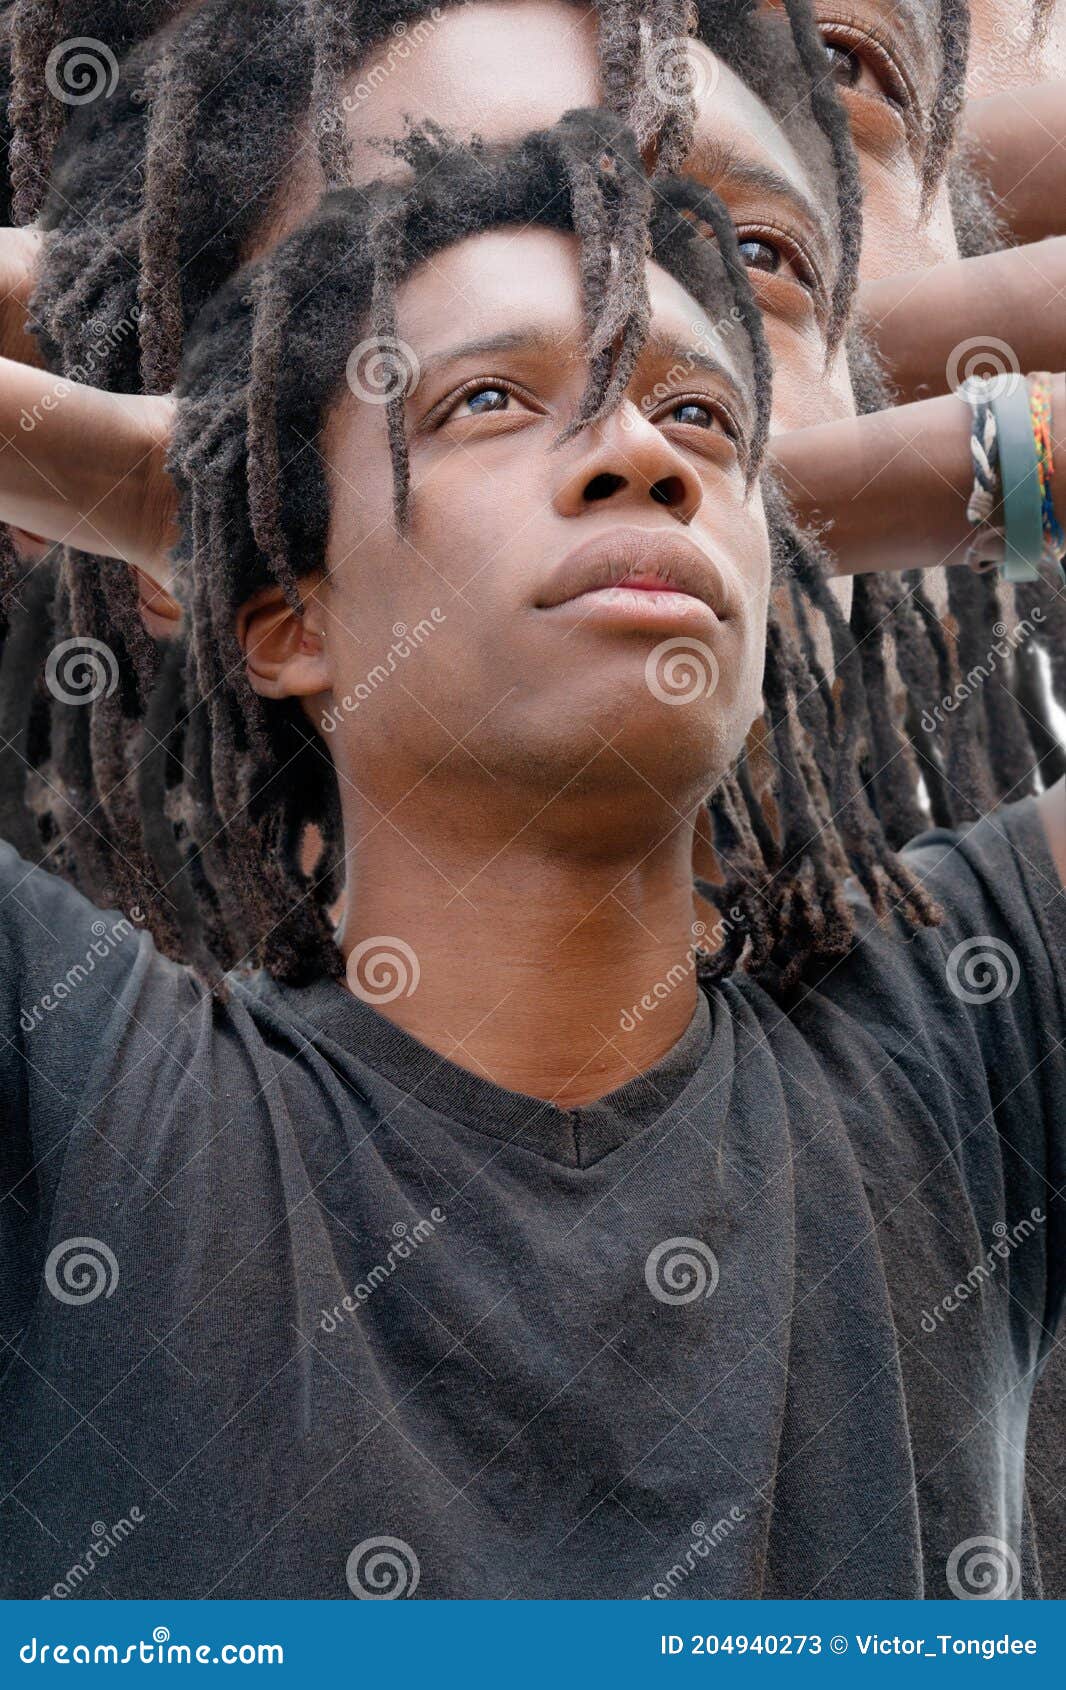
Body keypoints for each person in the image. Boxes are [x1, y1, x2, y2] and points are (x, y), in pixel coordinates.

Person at [1, 109, 1063, 1600]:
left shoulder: (966, 1044)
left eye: (698, 418)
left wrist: (783, 514)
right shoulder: (78, 1085)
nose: (637, 453)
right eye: (489, 400)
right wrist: (169, 451)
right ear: (286, 625)